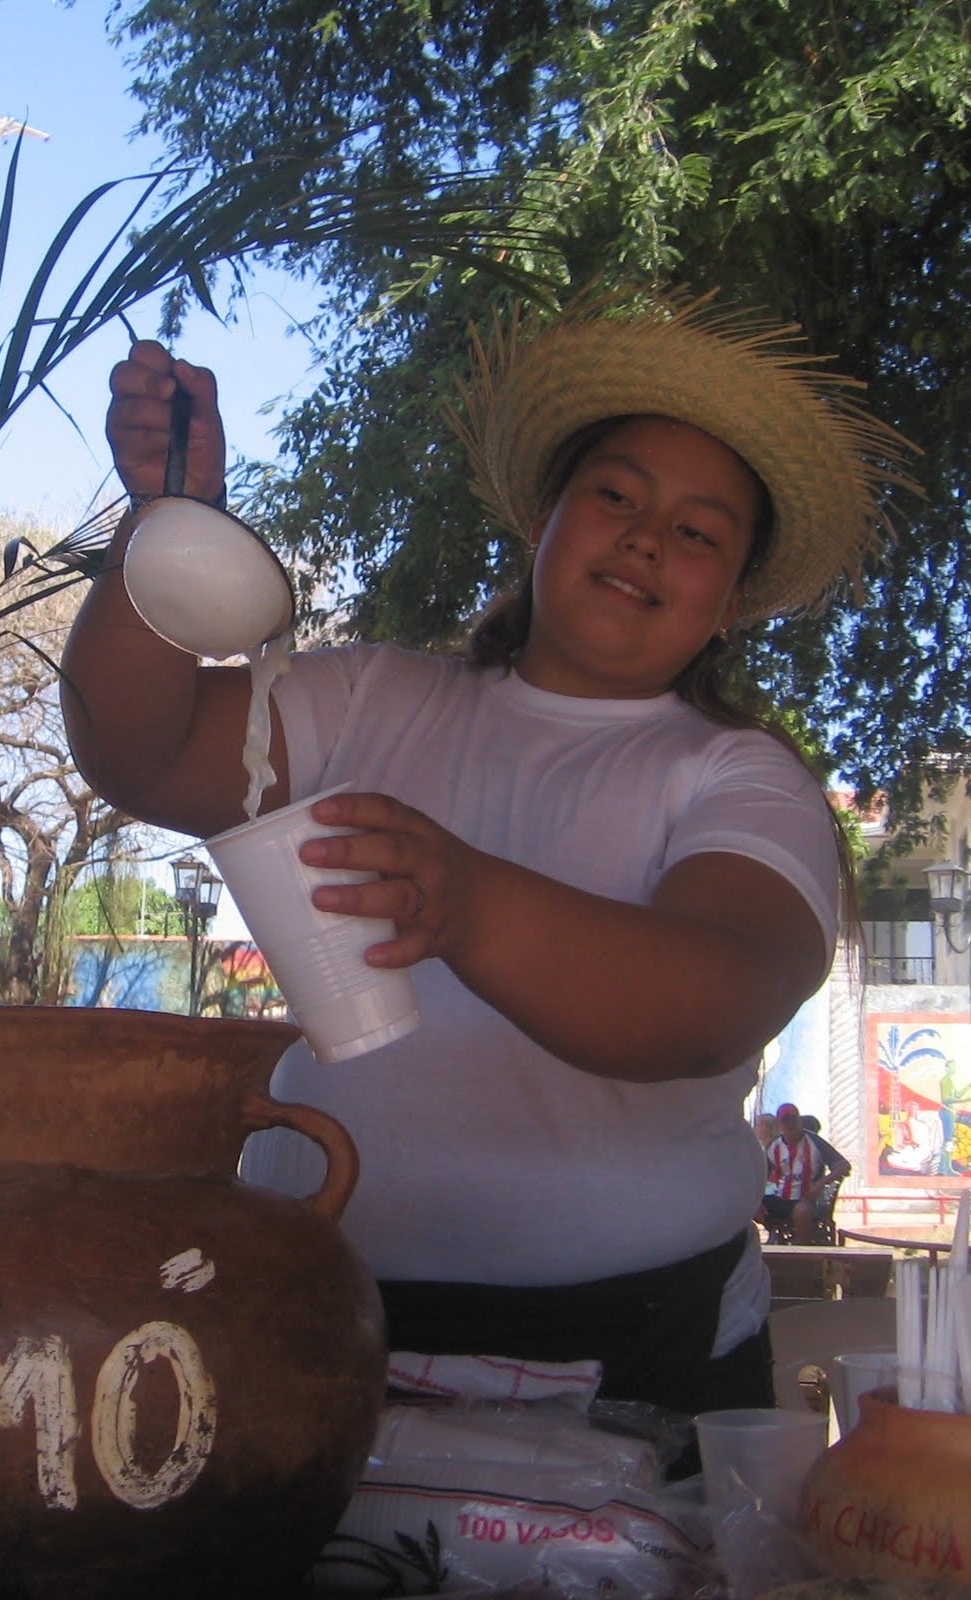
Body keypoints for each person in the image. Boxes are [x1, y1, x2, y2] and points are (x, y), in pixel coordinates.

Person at [61, 286, 916, 1418]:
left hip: (626, 1356)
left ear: (728, 604)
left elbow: (715, 994)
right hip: (304, 1311)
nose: (647, 537)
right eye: (612, 494)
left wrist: (466, 903)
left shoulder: (739, 777)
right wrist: (167, 529)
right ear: (541, 526)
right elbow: (142, 750)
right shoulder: (374, 696)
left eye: (700, 533)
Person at [760, 1102, 852, 1244]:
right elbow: (762, 1173)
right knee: (749, 1205)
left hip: (808, 1199)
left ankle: (801, 1250)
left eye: (793, 1120)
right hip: (780, 1197)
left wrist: (821, 1183)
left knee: (802, 1211)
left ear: (799, 1121)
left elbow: (844, 1165)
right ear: (780, 1125)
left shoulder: (814, 1142)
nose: (791, 1125)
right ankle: (775, 1234)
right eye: (786, 1121)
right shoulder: (774, 1146)